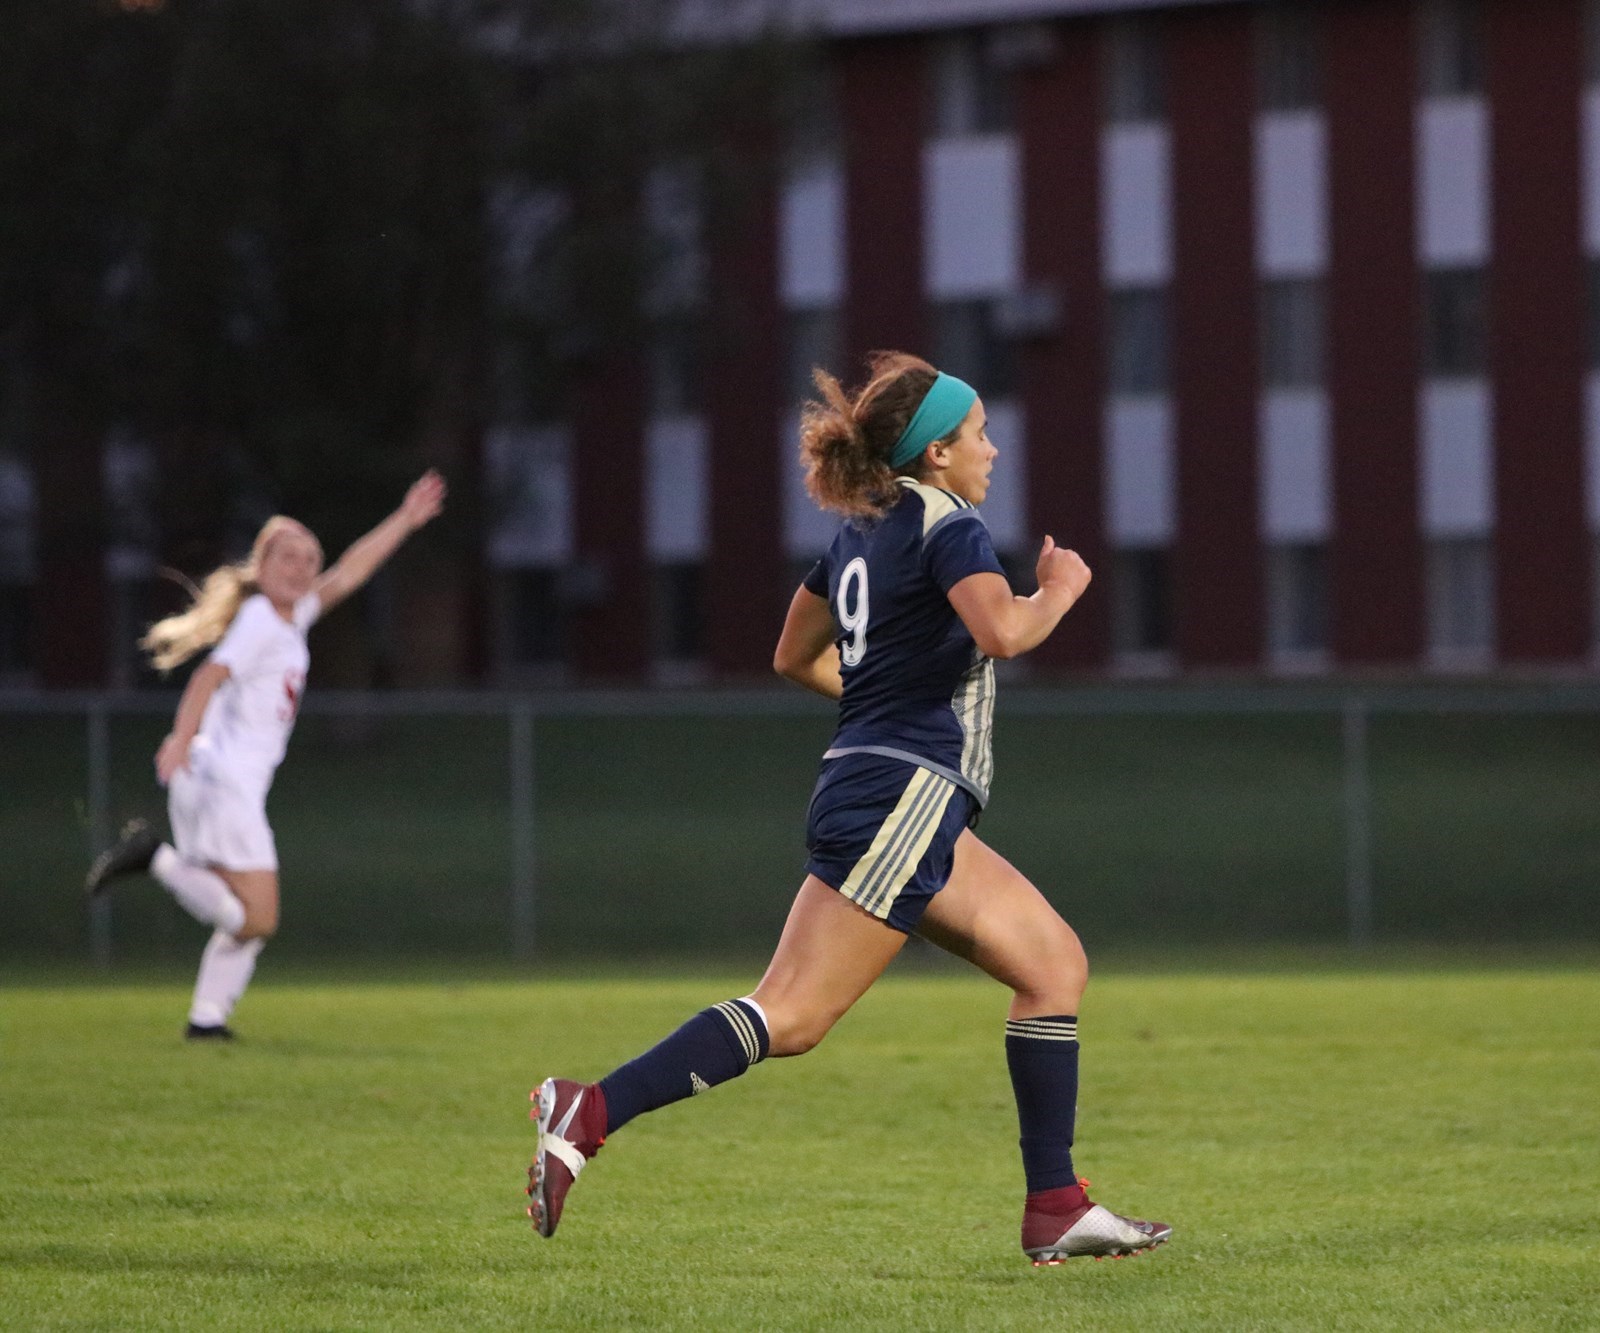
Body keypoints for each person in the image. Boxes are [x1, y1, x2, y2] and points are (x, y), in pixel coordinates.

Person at [525, 353, 1170, 1265]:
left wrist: (882, 705)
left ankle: (1057, 1203)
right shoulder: (953, 525)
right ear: (938, 451)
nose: (995, 447)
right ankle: (588, 1110)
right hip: (904, 795)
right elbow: (1004, 632)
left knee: (1054, 963)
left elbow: (793, 655)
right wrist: (1058, 589)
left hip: (891, 791)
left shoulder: (863, 531)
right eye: (980, 431)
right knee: (791, 1016)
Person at [85, 471, 448, 1039]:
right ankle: (153, 856)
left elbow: (351, 570)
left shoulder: (290, 617)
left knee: (241, 918)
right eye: (288, 558)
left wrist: (405, 517)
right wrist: (180, 738)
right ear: (262, 564)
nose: (302, 569)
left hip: (212, 778)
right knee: (258, 917)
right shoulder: (259, 622)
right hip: (222, 780)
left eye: (309, 560)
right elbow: (208, 675)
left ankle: (207, 1020)